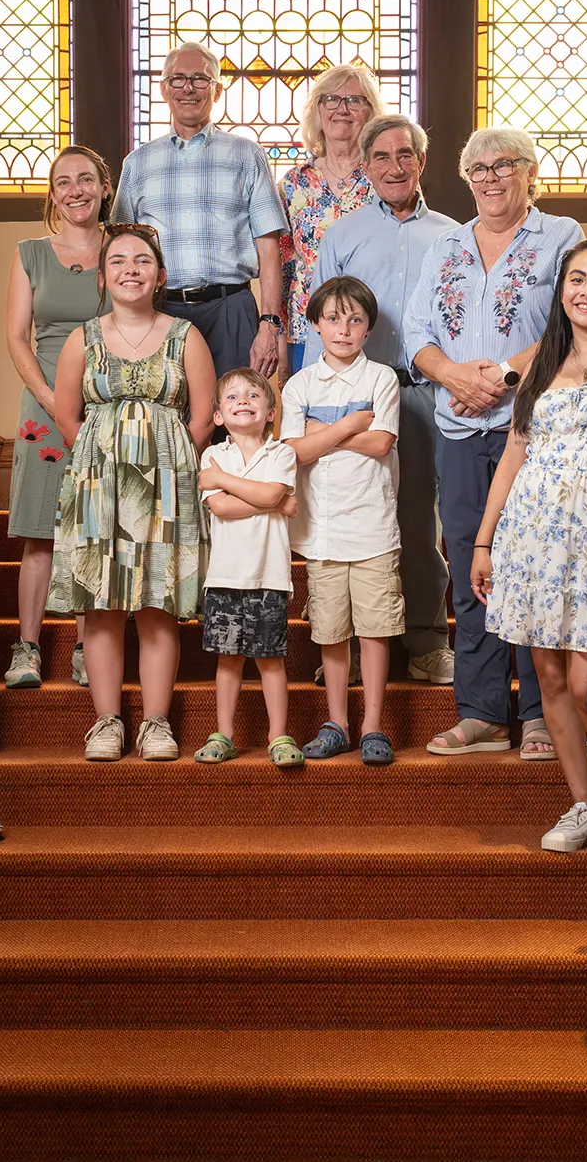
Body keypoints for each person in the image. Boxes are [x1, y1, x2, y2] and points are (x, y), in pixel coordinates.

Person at [402, 126, 583, 761]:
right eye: (477, 168)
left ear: (529, 172)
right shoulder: (447, 245)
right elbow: (417, 331)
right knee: (469, 565)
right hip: (457, 425)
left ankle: (538, 713)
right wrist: (452, 375)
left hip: (529, 427)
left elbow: (574, 320)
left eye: (504, 165)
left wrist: (504, 376)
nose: (490, 176)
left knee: (533, 565)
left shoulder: (559, 237)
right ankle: (482, 712)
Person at [471, 241, 587, 853]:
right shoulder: (542, 364)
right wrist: (483, 540)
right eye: (577, 279)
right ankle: (582, 801)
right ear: (562, 290)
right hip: (533, 536)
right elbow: (514, 455)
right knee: (547, 678)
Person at [48, 222, 217, 762]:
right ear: (103, 276)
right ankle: (106, 722)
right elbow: (69, 417)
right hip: (98, 487)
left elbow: (200, 420)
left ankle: (156, 723)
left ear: (160, 274)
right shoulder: (83, 339)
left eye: (142, 261)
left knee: (156, 604)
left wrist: (163, 468)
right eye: (118, 261)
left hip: (166, 489)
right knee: (100, 605)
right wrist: (105, 460)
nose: (130, 270)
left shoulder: (185, 336)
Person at [317, 114, 458, 685]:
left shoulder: (453, 236)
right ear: (367, 166)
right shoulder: (342, 235)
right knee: (352, 518)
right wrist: (314, 405)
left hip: (425, 394)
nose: (395, 167)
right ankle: (348, 647)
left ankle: (426, 639)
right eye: (382, 157)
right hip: (355, 396)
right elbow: (319, 323)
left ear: (421, 163)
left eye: (406, 155)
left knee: (419, 520)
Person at [3, 145, 112, 692]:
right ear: (52, 193)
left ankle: (82, 647)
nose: (76, 190)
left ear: (103, 187)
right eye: (64, 182)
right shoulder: (29, 252)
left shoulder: (122, 249)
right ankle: (27, 648)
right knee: (40, 533)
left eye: (86, 179)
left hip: (105, 404)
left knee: (92, 529)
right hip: (43, 401)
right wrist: (50, 398)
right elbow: (15, 338)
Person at [113, 42, 289, 380]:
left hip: (231, 309)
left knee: (239, 415)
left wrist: (269, 324)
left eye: (200, 79)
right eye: (177, 79)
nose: (188, 88)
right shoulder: (137, 164)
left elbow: (269, 249)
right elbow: (122, 251)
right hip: (160, 310)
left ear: (218, 90)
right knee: (164, 419)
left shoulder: (248, 156)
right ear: (164, 89)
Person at [281, 275, 401, 767]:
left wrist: (329, 430)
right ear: (314, 325)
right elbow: (293, 451)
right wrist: (353, 423)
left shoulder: (381, 379)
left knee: (373, 630)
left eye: (355, 320)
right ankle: (338, 722)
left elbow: (380, 442)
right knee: (330, 632)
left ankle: (373, 723)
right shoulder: (299, 384)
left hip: (373, 527)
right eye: (333, 319)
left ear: (368, 329)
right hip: (322, 532)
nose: (344, 329)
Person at [193, 369, 303, 769]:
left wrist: (226, 482)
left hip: (269, 576)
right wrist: (274, 502)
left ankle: (278, 734)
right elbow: (220, 507)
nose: (243, 401)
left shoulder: (281, 454)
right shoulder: (213, 455)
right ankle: (225, 733)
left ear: (270, 413)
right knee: (229, 658)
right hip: (224, 576)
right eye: (233, 397)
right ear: (219, 415)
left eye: (254, 396)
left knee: (271, 659)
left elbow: (274, 491)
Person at [279, 62, 382, 372]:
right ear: (318, 111)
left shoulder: (385, 178)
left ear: (369, 112)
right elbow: (283, 268)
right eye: (331, 99)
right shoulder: (293, 183)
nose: (342, 109)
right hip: (307, 329)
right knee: (313, 419)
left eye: (355, 100)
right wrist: (280, 338)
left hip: (371, 326)